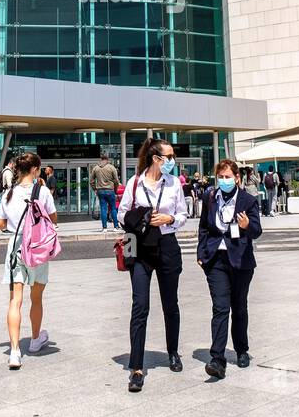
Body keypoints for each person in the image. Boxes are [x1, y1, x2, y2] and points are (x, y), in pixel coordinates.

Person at [119, 137, 189, 393]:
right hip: (140, 249)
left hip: (167, 246)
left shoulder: (174, 183)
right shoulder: (134, 182)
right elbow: (121, 213)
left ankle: (173, 352)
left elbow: (183, 214)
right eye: (168, 157)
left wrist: (168, 219)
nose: (172, 161)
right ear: (155, 158)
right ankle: (136, 367)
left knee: (171, 304)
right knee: (140, 306)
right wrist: (141, 218)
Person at [196, 159, 262, 378]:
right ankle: (217, 358)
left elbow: (256, 230)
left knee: (239, 307)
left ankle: (242, 349)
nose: (224, 181)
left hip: (241, 260)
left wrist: (246, 226)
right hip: (216, 259)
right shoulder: (210, 197)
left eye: (227, 177)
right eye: (220, 177)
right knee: (220, 307)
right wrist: (201, 252)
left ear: (237, 178)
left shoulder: (248, 200)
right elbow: (204, 226)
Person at [0, 152, 57, 370]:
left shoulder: (9, 194)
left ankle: (14, 352)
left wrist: (13, 225)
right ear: (34, 170)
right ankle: (35, 339)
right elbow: (53, 218)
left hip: (16, 248)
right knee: (37, 298)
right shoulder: (44, 192)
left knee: (15, 301)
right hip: (38, 248)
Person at [90, 154, 120, 232]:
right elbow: (116, 180)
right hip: (110, 190)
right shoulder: (111, 167)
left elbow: (91, 181)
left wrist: (95, 189)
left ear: (101, 159)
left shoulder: (96, 168)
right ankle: (116, 226)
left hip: (100, 191)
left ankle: (104, 228)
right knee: (113, 208)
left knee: (103, 208)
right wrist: (116, 189)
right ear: (107, 159)